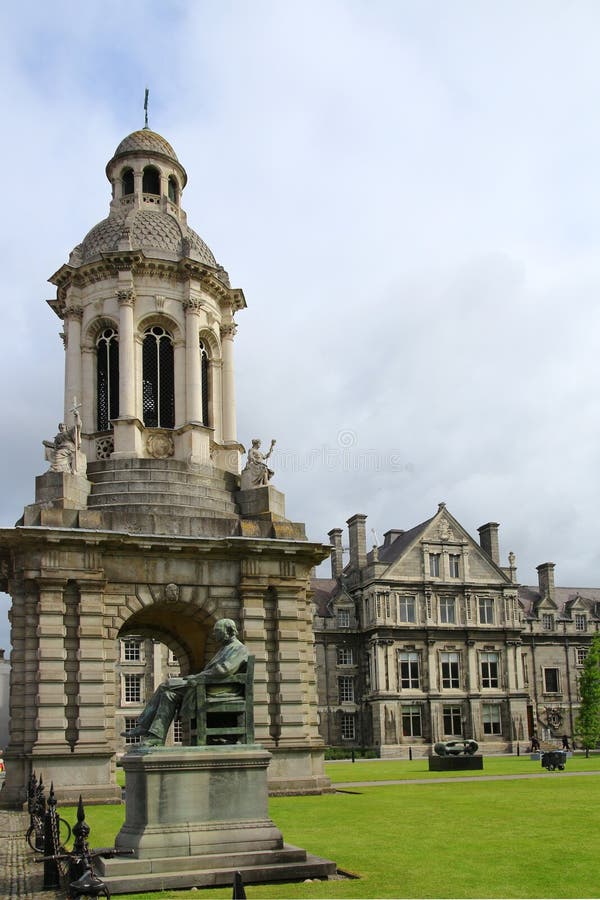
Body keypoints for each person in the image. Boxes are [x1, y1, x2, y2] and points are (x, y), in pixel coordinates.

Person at [122, 619, 249, 746]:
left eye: (217, 631)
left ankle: (144, 726)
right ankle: (156, 737)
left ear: (228, 631)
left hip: (219, 689)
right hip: (209, 684)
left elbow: (224, 670)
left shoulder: (239, 648)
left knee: (166, 685)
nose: (214, 634)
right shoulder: (225, 648)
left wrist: (197, 677)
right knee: (168, 695)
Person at [43, 409, 82, 474]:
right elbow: (55, 445)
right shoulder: (58, 436)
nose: (61, 426)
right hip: (60, 449)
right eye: (60, 425)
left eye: (62, 425)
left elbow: (78, 426)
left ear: (66, 427)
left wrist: (77, 416)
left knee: (58, 453)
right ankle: (55, 467)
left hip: (69, 448)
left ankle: (56, 468)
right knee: (51, 452)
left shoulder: (69, 432)